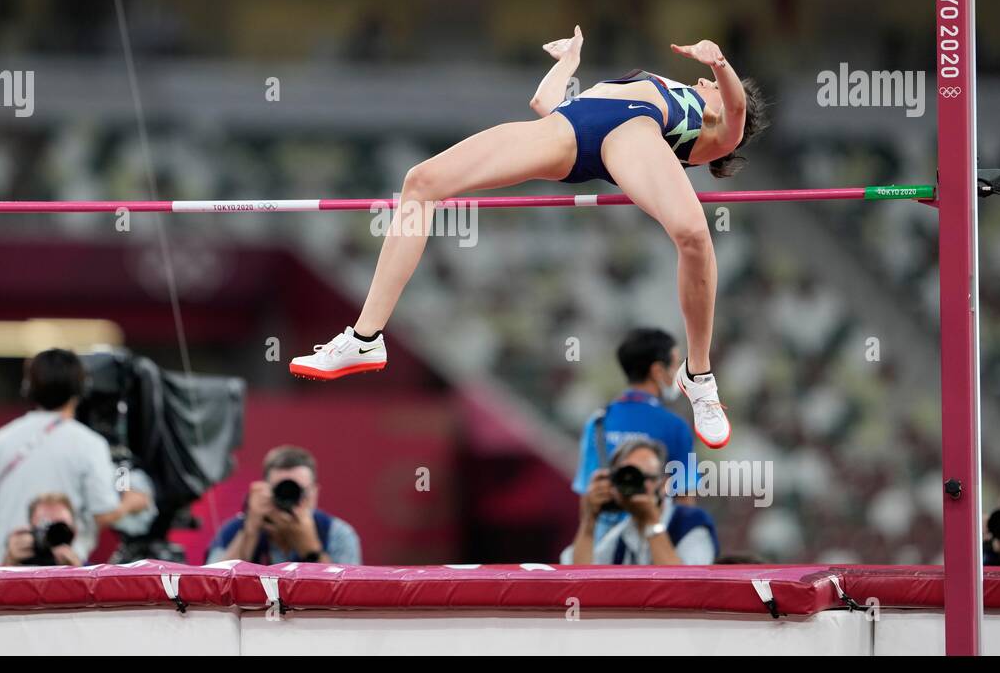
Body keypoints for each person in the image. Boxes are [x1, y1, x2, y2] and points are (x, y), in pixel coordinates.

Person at [290, 28, 768, 449]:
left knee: (692, 234)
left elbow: (737, 114)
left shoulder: (714, 131)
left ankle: (698, 376)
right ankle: (365, 337)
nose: (705, 81)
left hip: (632, 136)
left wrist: (720, 63)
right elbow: (546, 103)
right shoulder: (672, 87)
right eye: (710, 77)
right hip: (567, 129)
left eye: (716, 86)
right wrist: (568, 62)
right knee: (421, 181)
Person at [0, 348, 150, 564]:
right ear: (81, 389)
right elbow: (103, 512)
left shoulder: (0, 439)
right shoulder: (90, 444)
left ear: (29, 387)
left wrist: (12, 533)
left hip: (5, 572)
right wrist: (133, 501)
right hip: (61, 574)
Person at [573, 328, 698, 548]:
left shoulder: (598, 421)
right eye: (676, 364)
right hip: (651, 545)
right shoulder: (675, 426)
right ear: (658, 371)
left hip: (604, 547)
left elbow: (587, 495)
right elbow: (685, 501)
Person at [570, 438, 718, 566]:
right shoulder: (619, 538)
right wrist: (588, 522)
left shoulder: (692, 523)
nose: (633, 484)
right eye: (626, 476)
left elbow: (684, 589)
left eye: (643, 477)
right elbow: (581, 582)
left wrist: (652, 523)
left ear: (664, 483)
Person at [206, 445, 362, 565]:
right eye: (281, 490)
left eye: (297, 491)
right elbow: (213, 585)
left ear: (314, 493)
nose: (289, 499)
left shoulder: (338, 533)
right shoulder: (234, 531)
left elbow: (348, 597)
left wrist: (311, 550)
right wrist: (250, 530)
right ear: (264, 490)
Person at [2, 493, 83, 567]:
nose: (53, 535)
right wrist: (10, 563)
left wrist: (78, 574)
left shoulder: (91, 571)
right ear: (30, 530)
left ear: (74, 532)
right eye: (44, 526)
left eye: (60, 529)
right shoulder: (20, 564)